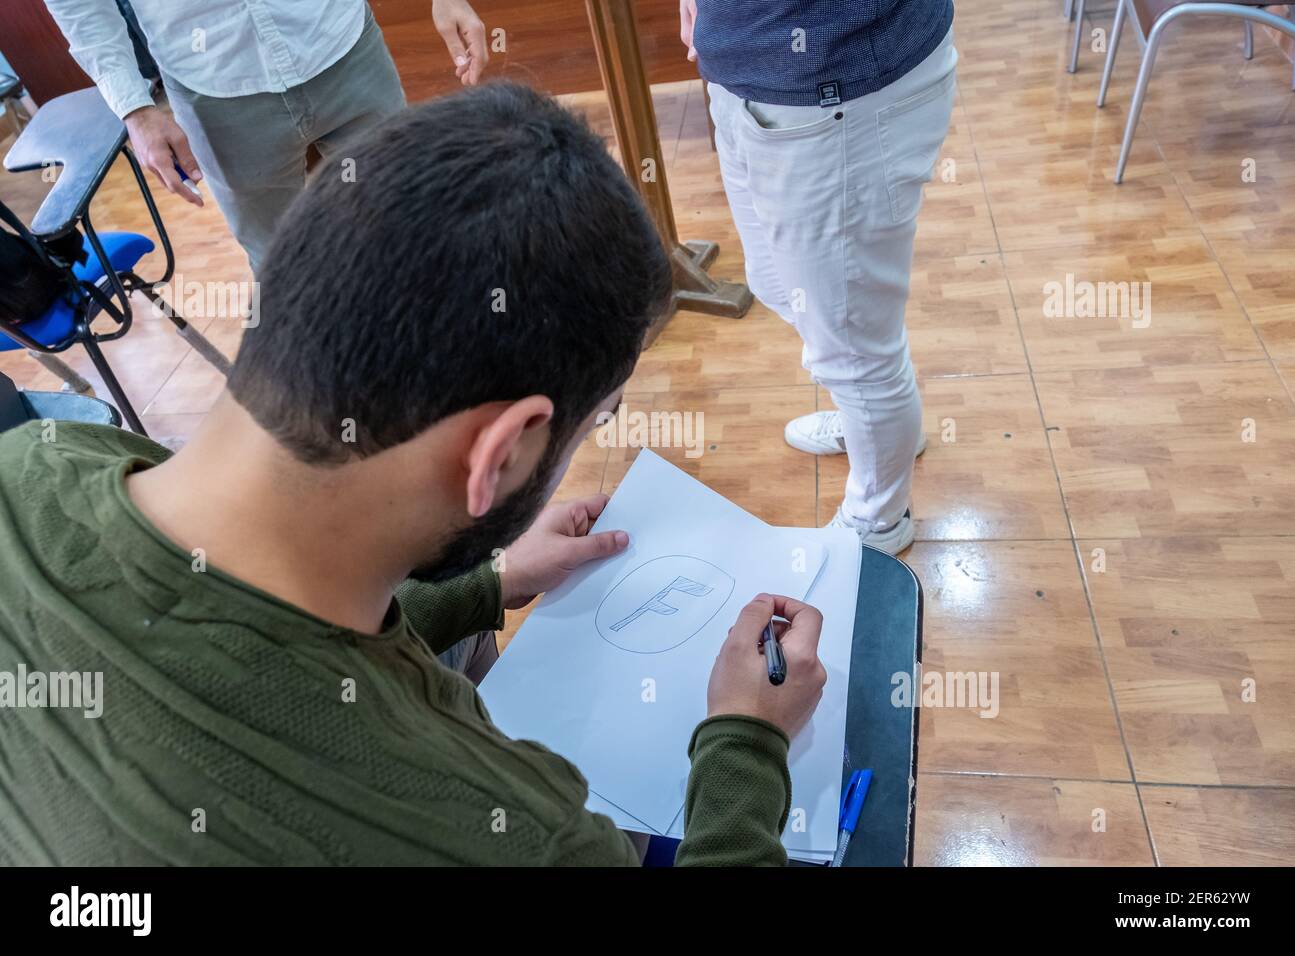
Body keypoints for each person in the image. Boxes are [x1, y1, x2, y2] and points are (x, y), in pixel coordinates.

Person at [0, 83, 826, 866]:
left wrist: (488, 580)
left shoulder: (37, 458)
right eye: (593, 422)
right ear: (500, 454)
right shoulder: (500, 833)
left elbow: (260, 642)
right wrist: (748, 740)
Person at [682, 0, 958, 555]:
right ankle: (877, 427)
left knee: (854, 347)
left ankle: (880, 519)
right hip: (747, 72)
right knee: (784, 288)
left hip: (837, 84)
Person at [45, 0, 489, 273]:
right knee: (281, 264)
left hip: (341, 41)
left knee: (412, 218)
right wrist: (135, 110)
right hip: (214, 87)